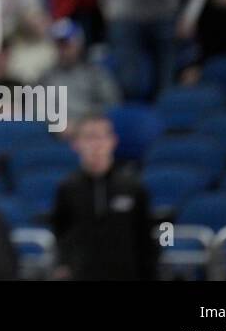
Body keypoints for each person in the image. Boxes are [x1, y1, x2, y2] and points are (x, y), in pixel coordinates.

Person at [51, 115, 157, 280]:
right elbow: (61, 234)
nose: (96, 144)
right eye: (89, 137)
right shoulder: (67, 188)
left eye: (102, 136)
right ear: (75, 144)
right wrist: (65, 264)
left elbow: (145, 241)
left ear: (113, 141)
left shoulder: (133, 187)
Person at [40, 19, 121, 124]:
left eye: (66, 44)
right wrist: (55, 124)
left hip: (92, 128)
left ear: (78, 43)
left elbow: (113, 104)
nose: (62, 49)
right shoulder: (47, 76)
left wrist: (87, 121)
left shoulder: (96, 73)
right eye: (58, 44)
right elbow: (37, 109)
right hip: (58, 132)